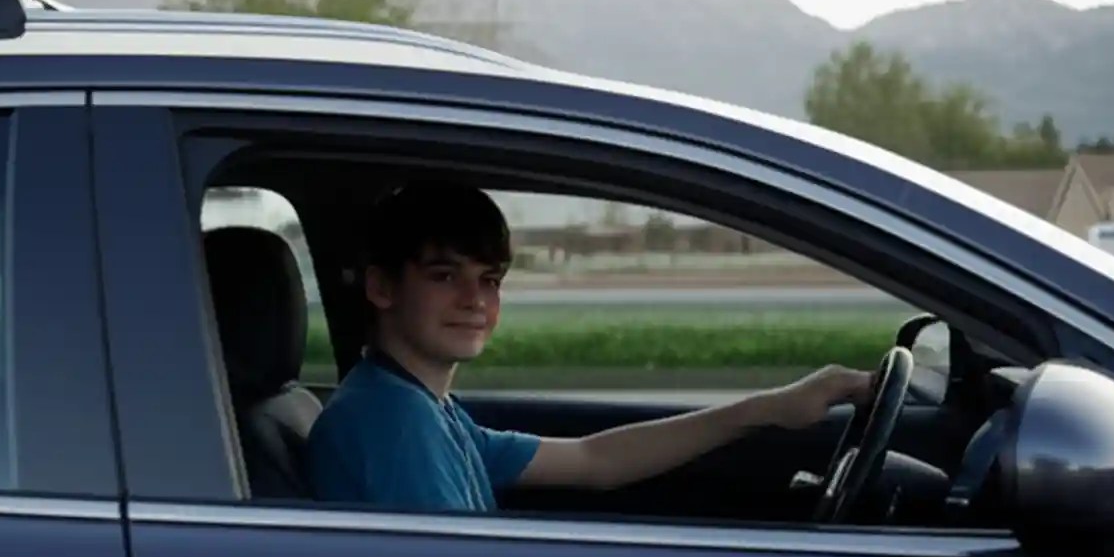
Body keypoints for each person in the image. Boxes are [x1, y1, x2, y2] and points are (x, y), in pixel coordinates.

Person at [306, 180, 875, 512]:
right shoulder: (391, 422)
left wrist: (771, 407)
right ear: (382, 287)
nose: (474, 300)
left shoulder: (426, 409)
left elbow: (592, 461)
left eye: (490, 280)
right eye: (443, 276)